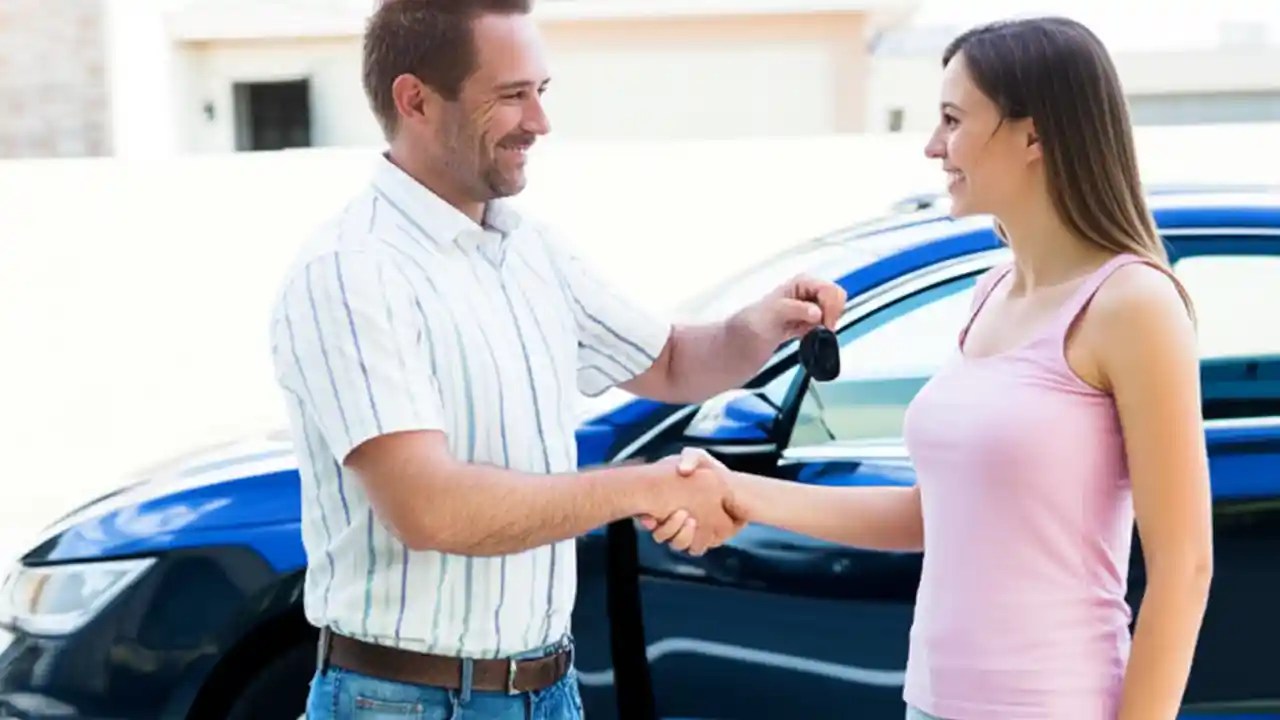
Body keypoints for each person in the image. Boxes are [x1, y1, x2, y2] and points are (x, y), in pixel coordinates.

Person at [266, 1, 846, 718]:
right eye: (511, 96)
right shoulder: (351, 271)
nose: (539, 123)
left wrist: (757, 326)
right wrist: (642, 487)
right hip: (406, 703)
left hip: (549, 692)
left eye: (541, 92)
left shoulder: (527, 248)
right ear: (415, 99)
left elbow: (667, 361)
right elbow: (429, 508)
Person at [655, 16, 1213, 720]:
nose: (932, 146)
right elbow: (933, 513)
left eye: (952, 119)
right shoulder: (990, 293)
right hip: (933, 703)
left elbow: (1185, 568)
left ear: (1033, 134)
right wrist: (740, 491)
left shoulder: (1133, 304)